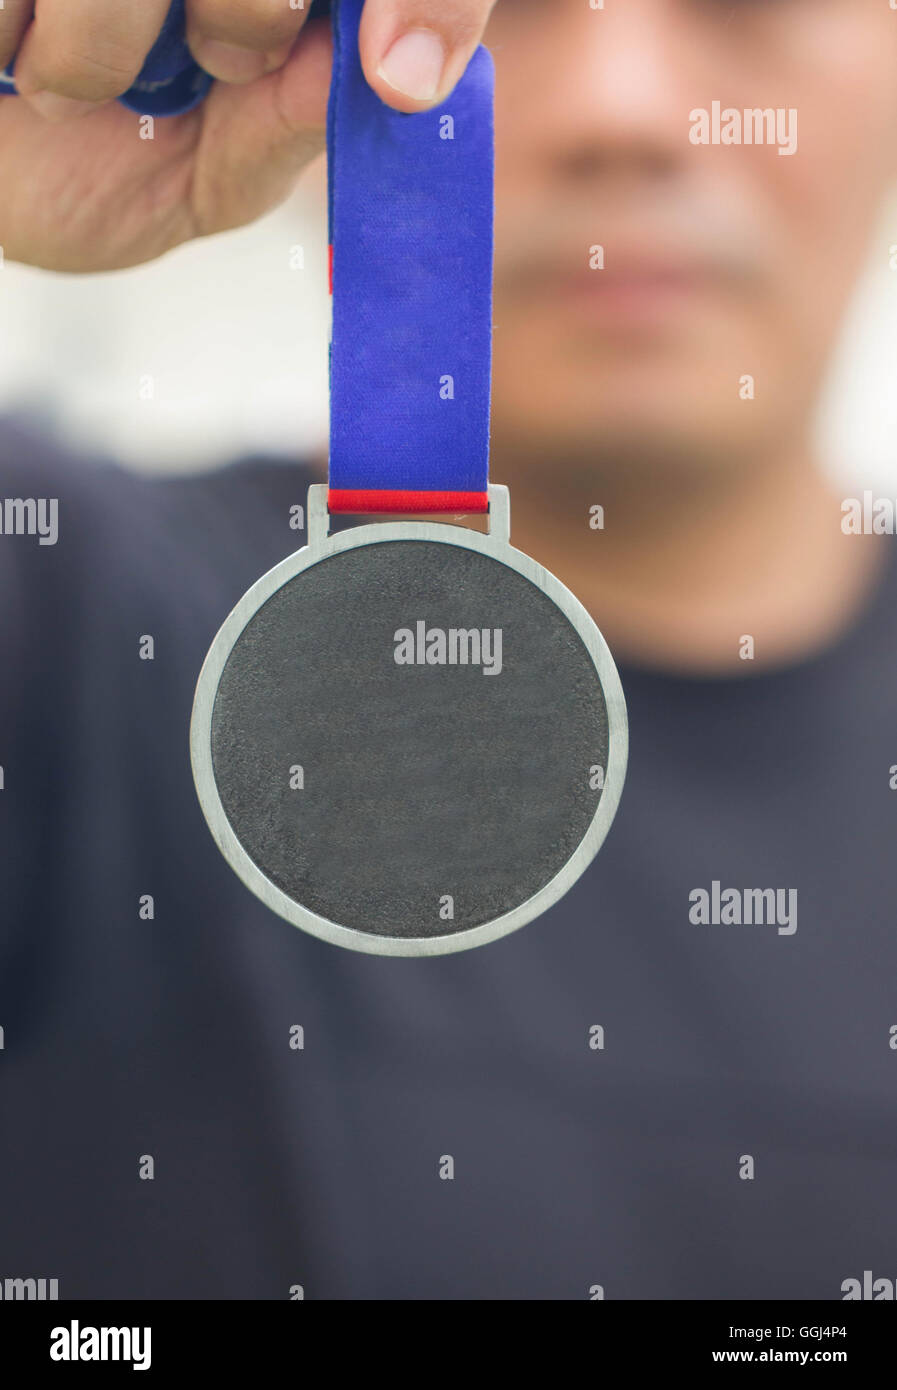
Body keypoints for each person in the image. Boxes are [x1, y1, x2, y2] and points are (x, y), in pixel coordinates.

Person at [1, 0, 896, 1300]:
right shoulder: (66, 616)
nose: (620, 113)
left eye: (742, 6)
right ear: (293, 48)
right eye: (507, 6)